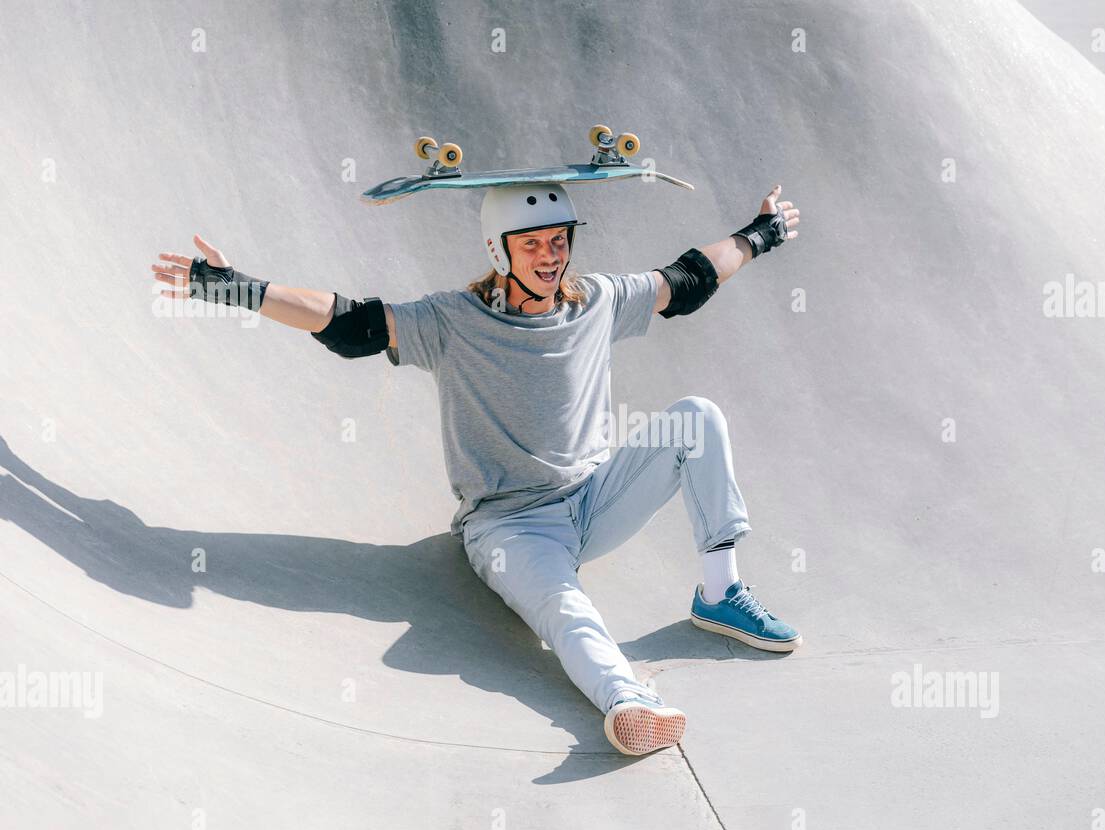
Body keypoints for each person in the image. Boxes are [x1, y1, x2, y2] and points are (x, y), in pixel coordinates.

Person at [151, 181, 802, 756]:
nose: (551, 256)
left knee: (698, 417)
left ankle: (720, 595)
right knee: (563, 608)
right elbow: (349, 323)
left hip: (593, 497)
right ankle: (626, 702)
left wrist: (759, 233)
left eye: (559, 241)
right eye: (534, 244)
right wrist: (236, 287)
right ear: (500, 251)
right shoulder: (451, 322)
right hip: (511, 528)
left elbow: (686, 281)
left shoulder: (599, 300)